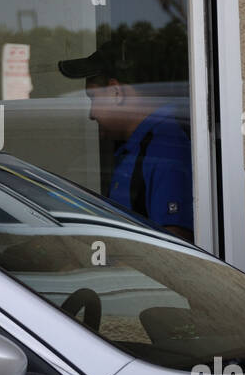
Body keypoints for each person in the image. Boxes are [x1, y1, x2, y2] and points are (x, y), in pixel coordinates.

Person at [58, 26, 194, 241]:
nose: (92, 114)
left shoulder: (165, 149)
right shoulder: (142, 146)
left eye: (93, 98)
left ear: (115, 92)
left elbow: (175, 244)